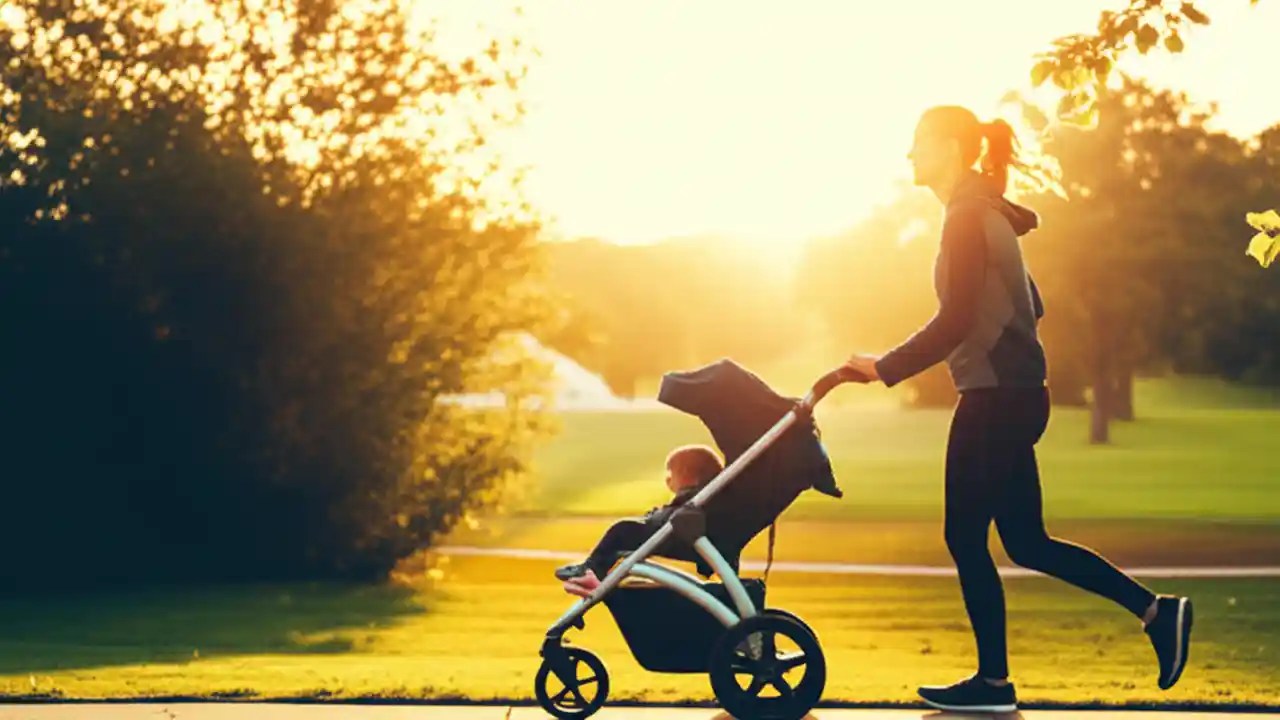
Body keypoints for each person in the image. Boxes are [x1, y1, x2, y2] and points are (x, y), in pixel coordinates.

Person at [839, 105, 1193, 713]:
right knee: (1026, 543)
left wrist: (884, 367)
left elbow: (955, 320)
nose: (910, 155)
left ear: (952, 147)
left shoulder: (970, 216)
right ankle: (1158, 614)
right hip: (1016, 394)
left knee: (964, 537)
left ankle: (994, 685)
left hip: (995, 399)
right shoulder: (982, 213)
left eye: (919, 142)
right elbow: (1032, 304)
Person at [555, 444, 724, 595]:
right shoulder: (712, 500)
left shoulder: (695, 499)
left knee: (622, 529)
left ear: (686, 473)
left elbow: (670, 516)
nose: (668, 480)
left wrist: (653, 516)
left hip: (678, 537)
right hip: (691, 539)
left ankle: (591, 569)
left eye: (671, 474)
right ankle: (594, 574)